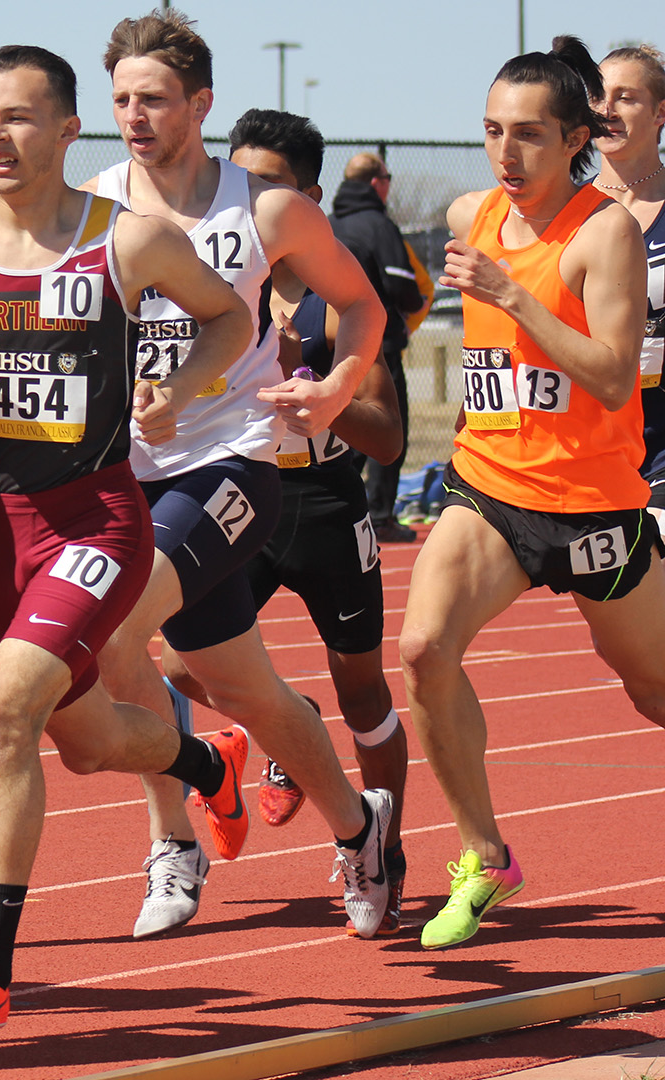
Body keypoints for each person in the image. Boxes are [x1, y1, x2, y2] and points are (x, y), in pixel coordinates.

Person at [0, 43, 259, 1039]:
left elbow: (231, 317)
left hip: (97, 519)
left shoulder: (126, 241)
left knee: (2, 716)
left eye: (18, 118)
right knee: (82, 744)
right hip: (0, 529)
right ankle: (206, 762)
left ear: (65, 130)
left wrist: (178, 390)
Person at [87, 9, 395, 942]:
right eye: (120, 101)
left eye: (154, 99)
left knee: (113, 629)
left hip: (231, 466)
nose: (134, 117)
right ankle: (359, 823)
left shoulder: (264, 208)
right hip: (121, 472)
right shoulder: (95, 204)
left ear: (201, 104)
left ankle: (172, 837)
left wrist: (337, 390)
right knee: (252, 695)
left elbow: (362, 305)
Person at [402, 37, 664, 950]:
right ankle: (485, 856)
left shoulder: (605, 233)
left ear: (574, 140)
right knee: (425, 648)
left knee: (652, 690)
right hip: (489, 492)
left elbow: (608, 375)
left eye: (528, 137)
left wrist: (515, 296)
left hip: (595, 505)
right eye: (490, 133)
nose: (505, 155)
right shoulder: (472, 211)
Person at [160, 108, 411, 938]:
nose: (239, 196)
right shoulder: (201, 287)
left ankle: (379, 851)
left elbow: (390, 434)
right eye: (234, 175)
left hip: (326, 506)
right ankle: (269, 721)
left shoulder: (332, 300)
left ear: (302, 199)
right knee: (174, 660)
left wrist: (321, 390)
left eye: (261, 182)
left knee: (363, 696)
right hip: (236, 496)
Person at [332, 152, 429, 543]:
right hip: (378, 345)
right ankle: (382, 515)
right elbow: (402, 284)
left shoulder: (327, 224)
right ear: (377, 183)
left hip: (332, 339)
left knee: (347, 429)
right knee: (389, 428)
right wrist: (414, 304)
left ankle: (342, 512)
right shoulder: (380, 225)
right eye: (388, 177)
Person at [592, 45, 665, 522]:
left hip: (658, 446)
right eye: (598, 96)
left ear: (661, 112)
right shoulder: (558, 210)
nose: (608, 109)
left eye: (626, 97)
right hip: (580, 445)